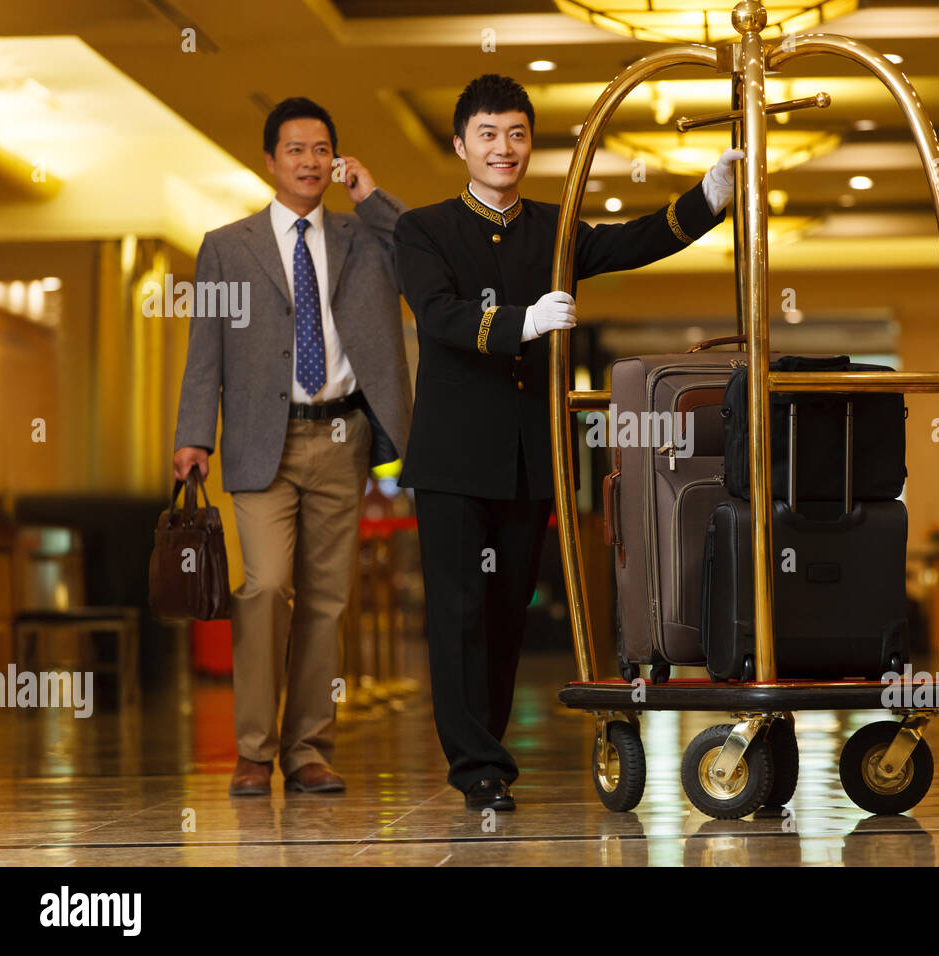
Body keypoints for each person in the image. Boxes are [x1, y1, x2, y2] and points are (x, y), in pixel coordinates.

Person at [394, 73, 741, 812]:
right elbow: (438, 315)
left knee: (507, 611)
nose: (504, 148)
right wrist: (521, 321)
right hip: (455, 456)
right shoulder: (423, 228)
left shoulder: (554, 227)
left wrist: (707, 197)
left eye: (517, 133)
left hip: (529, 456)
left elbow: (632, 242)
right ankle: (478, 768)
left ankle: (484, 749)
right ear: (461, 145)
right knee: (458, 614)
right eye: (487, 134)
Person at [172, 97, 411, 796]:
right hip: (257, 440)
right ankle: (254, 747)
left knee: (327, 600)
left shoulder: (365, 239)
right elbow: (205, 348)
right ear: (270, 161)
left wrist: (373, 200)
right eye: (297, 150)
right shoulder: (226, 245)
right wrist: (193, 435)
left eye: (323, 150)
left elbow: (422, 261)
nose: (311, 162)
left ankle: (308, 750)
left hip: (343, 435)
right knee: (266, 585)